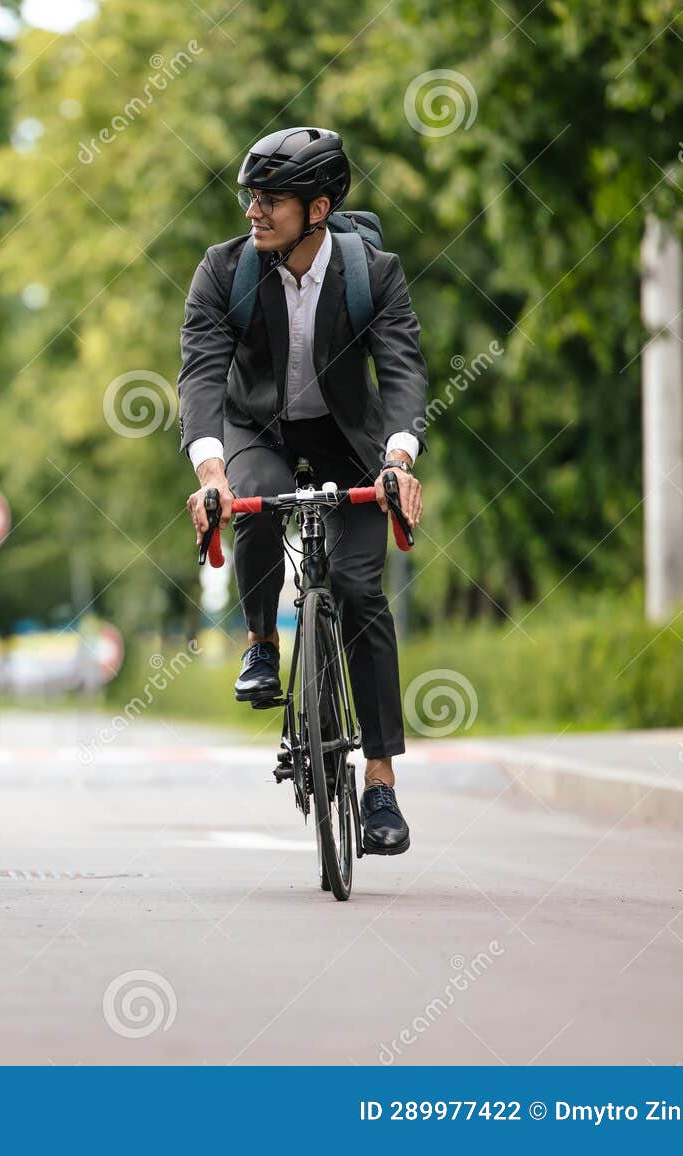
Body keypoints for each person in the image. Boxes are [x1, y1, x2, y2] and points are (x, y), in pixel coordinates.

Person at [177, 126, 428, 855]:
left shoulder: (373, 273)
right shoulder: (224, 271)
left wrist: (398, 458)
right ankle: (260, 642)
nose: (254, 212)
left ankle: (379, 780)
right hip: (256, 431)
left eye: (271, 201)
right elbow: (199, 373)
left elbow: (403, 371)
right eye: (250, 198)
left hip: (350, 442)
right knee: (251, 502)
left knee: (360, 592)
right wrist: (210, 470)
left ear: (318, 209)